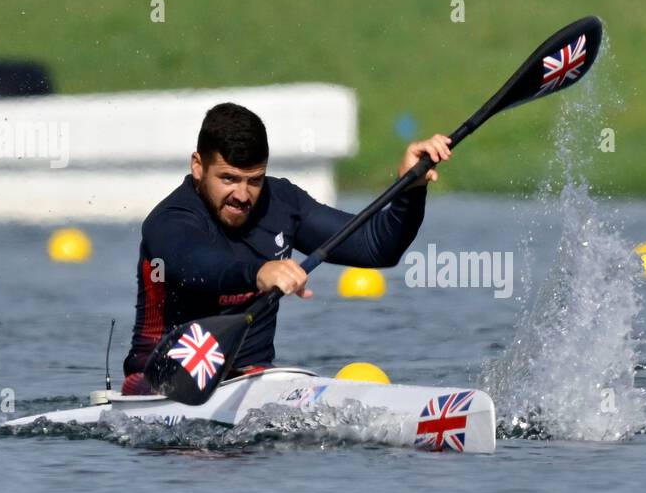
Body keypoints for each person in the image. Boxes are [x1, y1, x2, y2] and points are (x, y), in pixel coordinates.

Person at [121, 102, 449, 394]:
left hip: (255, 381)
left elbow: (377, 247)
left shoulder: (281, 205)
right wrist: (259, 272)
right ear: (198, 166)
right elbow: (197, 265)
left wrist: (410, 188)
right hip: (161, 380)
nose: (242, 195)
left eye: (255, 180)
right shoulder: (168, 223)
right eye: (228, 179)